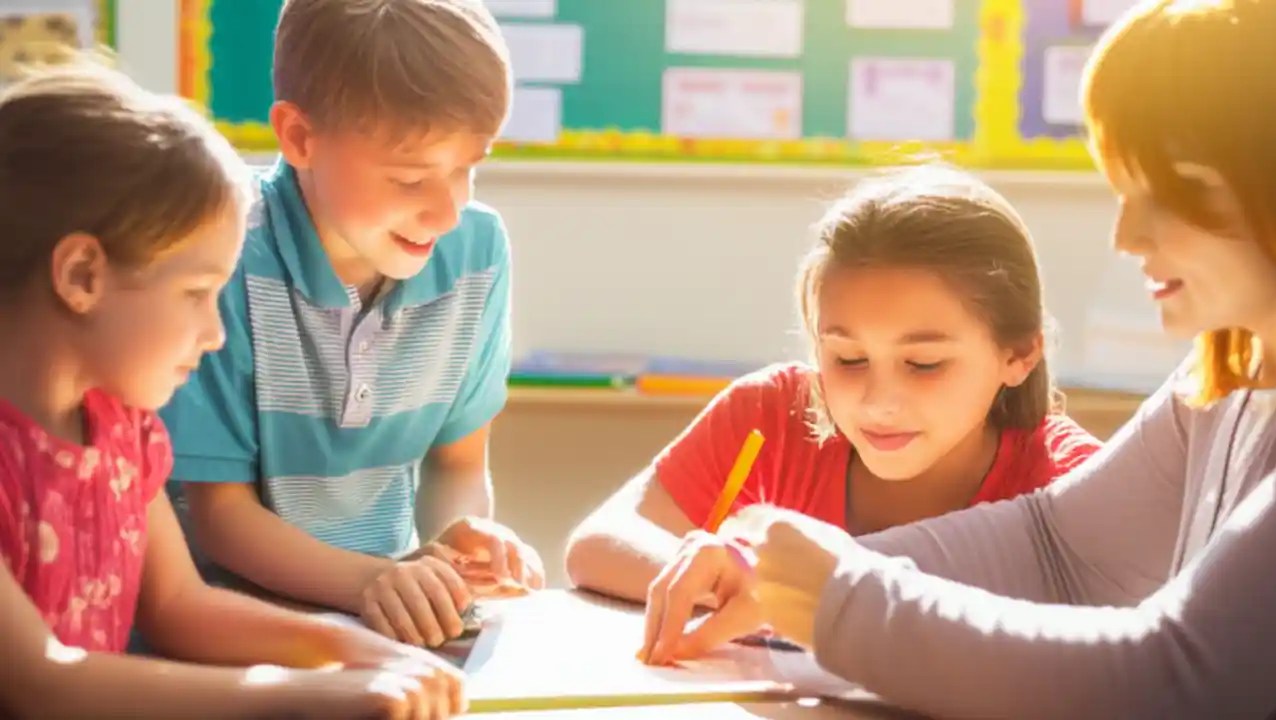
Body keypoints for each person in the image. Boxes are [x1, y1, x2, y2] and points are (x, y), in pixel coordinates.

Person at [640, 1, 1276, 717]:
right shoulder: (1224, 378)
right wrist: (788, 575)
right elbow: (1056, 545)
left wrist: (843, 599)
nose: (1126, 237)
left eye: (1178, 190)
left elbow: (1183, 677)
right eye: (1126, 192)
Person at [0, 61, 464, 720]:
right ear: (81, 276)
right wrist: (305, 694)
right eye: (195, 294)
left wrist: (353, 648)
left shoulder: (121, 430)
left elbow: (179, 607)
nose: (216, 332)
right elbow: (42, 683)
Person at [161, 0, 543, 650]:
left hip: (377, 633)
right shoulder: (220, 256)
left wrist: (452, 545)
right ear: (300, 138)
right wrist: (371, 581)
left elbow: (456, 462)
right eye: (411, 177)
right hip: (232, 645)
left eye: (467, 167)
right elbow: (220, 515)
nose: (448, 210)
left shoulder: (477, 252)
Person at [565, 165, 1100, 603]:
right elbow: (598, 543)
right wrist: (735, 582)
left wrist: (821, 600)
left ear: (1020, 354)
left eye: (924, 363)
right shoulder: (772, 413)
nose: (878, 402)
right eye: (847, 358)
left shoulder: (1078, 483)